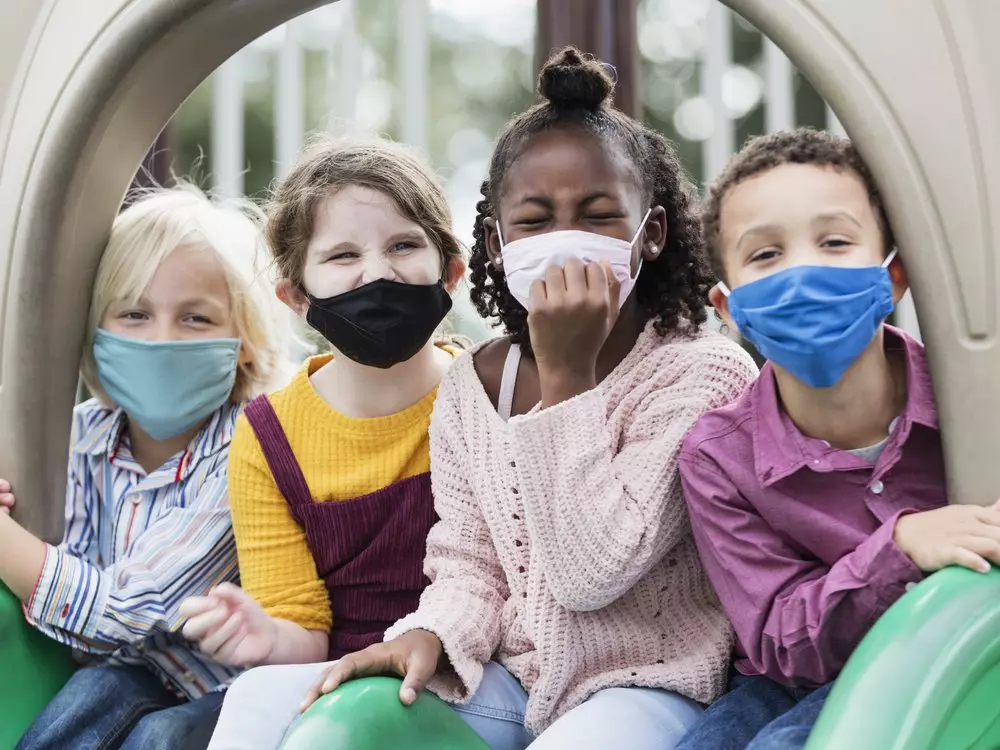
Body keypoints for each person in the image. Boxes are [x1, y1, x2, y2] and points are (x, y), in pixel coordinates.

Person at [281, 47, 758, 750]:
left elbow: (592, 573)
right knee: (315, 716)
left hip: (647, 686)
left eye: (597, 216)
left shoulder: (703, 375)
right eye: (535, 220)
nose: (565, 241)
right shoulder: (474, 385)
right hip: (512, 679)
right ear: (498, 244)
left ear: (650, 233)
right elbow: (468, 565)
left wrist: (567, 380)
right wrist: (431, 634)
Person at [673, 128, 1000, 750]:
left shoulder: (976, 404)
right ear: (728, 307)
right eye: (765, 255)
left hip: (951, 650)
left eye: (835, 242)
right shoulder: (718, 456)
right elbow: (777, 642)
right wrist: (899, 547)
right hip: (792, 680)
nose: (802, 271)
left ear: (894, 276)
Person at [178, 136, 468, 748]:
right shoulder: (267, 438)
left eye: (404, 245)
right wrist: (265, 634)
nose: (379, 273)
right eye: (342, 255)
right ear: (296, 298)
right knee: (253, 698)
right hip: (333, 685)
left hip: (468, 673)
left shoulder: (490, 393)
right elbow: (303, 631)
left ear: (452, 269)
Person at [0, 184, 291, 750]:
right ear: (98, 335)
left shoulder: (248, 449)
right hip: (122, 675)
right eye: (134, 314)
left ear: (246, 343)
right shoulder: (82, 435)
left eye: (196, 319)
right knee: (92, 693)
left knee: (158, 734)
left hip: (224, 690)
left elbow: (126, 610)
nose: (161, 340)